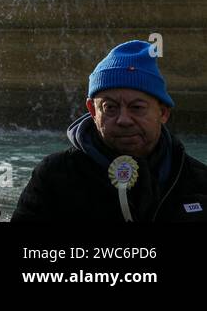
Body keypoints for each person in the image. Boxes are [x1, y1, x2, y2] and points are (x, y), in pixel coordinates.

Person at [12, 40, 207, 222]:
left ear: (163, 112)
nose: (123, 120)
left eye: (137, 107)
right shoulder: (54, 175)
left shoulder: (197, 179)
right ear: (92, 111)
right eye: (110, 108)